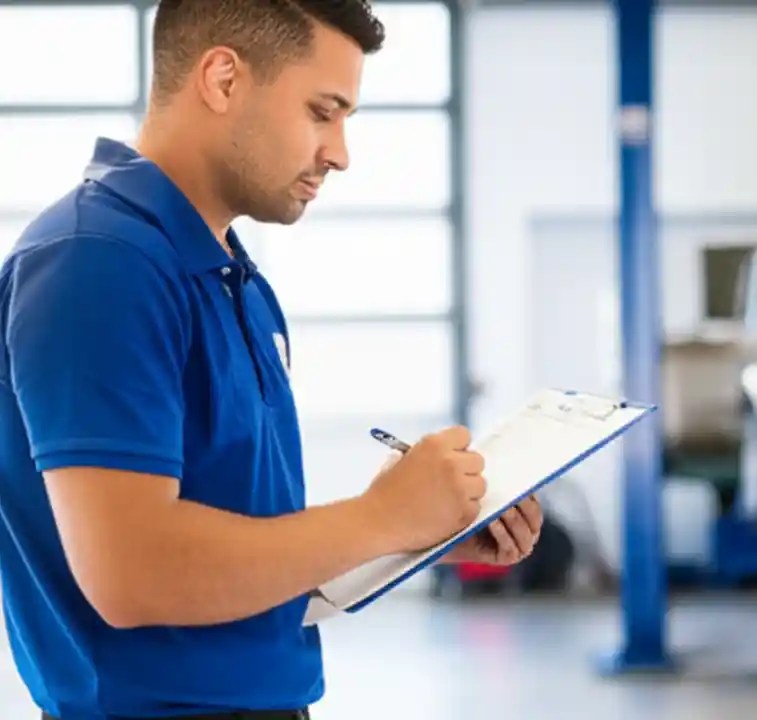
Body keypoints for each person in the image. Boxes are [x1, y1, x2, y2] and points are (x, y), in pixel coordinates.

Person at [0, 1, 543, 718]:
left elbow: (243, 556)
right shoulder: (96, 263)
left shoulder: (227, 275)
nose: (340, 152)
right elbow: (134, 572)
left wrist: (414, 533)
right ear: (223, 79)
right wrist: (378, 516)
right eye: (323, 111)